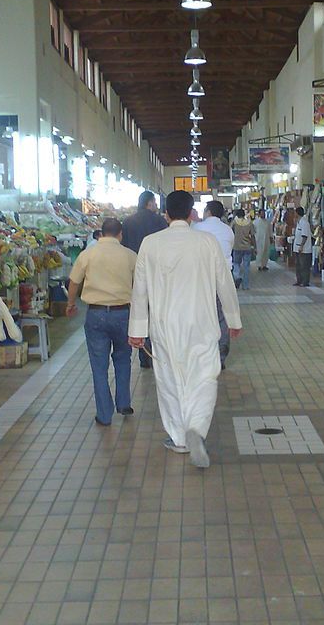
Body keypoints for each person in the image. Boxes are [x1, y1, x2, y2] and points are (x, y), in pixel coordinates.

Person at [129, 190, 242, 468]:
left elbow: (139, 289)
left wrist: (137, 329)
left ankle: (179, 438)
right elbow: (224, 283)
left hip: (165, 325)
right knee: (205, 377)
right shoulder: (207, 242)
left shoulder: (150, 243)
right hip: (202, 322)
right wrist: (233, 320)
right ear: (192, 213)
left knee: (169, 379)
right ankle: (197, 428)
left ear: (165, 213)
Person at [66, 218, 137, 426]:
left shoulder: (88, 254)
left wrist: (71, 303)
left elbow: (74, 282)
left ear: (101, 234)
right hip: (123, 313)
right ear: (120, 234)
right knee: (123, 359)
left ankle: (104, 415)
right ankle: (123, 403)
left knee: (99, 365)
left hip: (96, 315)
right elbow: (140, 284)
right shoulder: (130, 255)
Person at [120, 190, 167, 368]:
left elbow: (124, 247)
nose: (155, 205)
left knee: (140, 309)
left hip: (135, 272)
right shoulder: (160, 221)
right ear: (149, 202)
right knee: (156, 311)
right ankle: (157, 351)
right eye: (154, 202)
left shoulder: (128, 222)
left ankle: (144, 355)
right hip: (158, 273)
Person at [194, 200, 235, 369]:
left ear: (208, 211)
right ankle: (221, 354)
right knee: (221, 315)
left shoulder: (197, 229)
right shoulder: (228, 230)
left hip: (202, 277)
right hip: (224, 277)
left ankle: (205, 353)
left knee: (202, 315)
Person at [231, 208, 256, 290]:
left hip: (237, 247)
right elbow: (252, 236)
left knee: (236, 264)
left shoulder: (234, 223)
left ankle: (237, 277)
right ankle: (245, 286)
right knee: (246, 267)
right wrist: (255, 247)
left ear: (237, 215)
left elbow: (230, 232)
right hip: (247, 247)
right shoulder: (249, 223)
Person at [292, 206, 313, 287]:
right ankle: (299, 280)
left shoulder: (304, 223)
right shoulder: (299, 222)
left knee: (304, 266)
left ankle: (305, 282)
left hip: (304, 249)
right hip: (297, 248)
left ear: (297, 213)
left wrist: (301, 246)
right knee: (298, 265)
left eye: (295, 212)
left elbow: (305, 236)